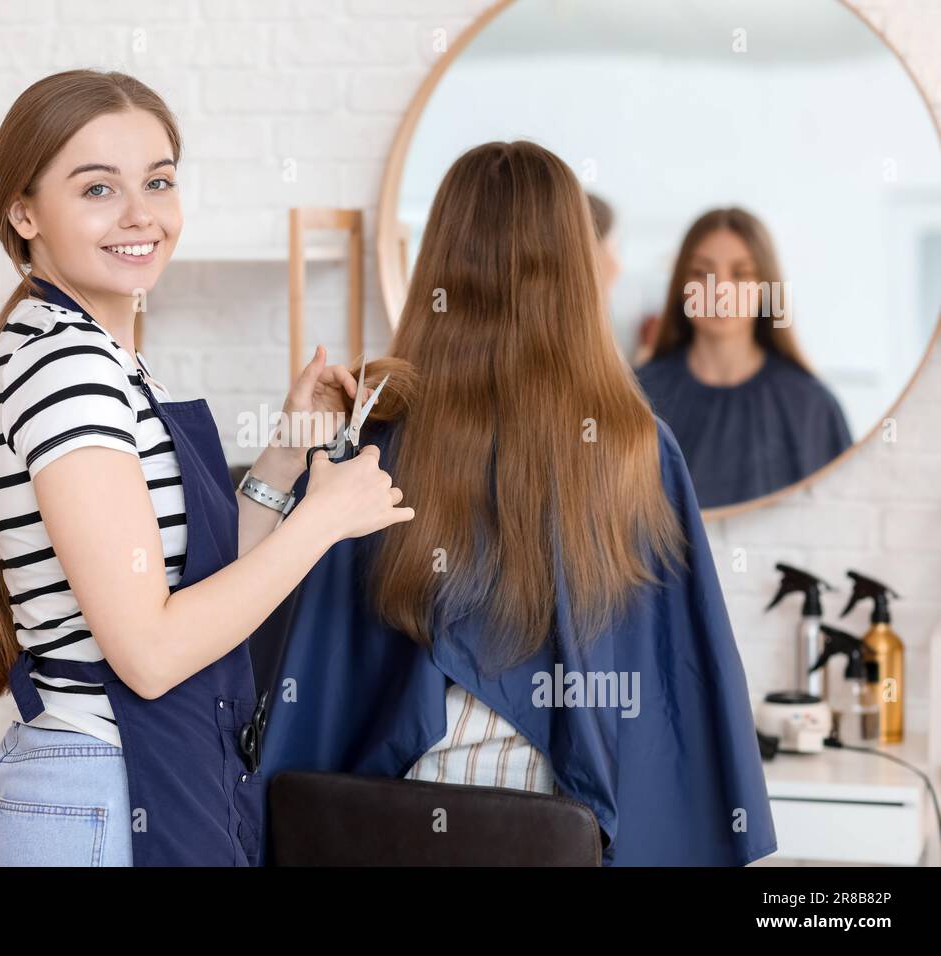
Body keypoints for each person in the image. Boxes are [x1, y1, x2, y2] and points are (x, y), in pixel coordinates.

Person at [254, 142, 777, 866]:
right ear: (575, 265)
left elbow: (297, 663)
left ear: (440, 261)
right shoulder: (632, 447)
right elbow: (679, 684)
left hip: (384, 828)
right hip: (551, 835)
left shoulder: (374, 440)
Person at [0, 70, 413, 867]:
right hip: (95, 797)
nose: (141, 215)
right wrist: (323, 521)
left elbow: (192, 584)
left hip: (109, 784)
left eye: (158, 182)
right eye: (98, 188)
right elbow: (151, 653)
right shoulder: (68, 370)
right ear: (23, 213)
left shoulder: (102, 359)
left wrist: (286, 452)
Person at [636, 207, 853, 508]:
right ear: (681, 287)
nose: (720, 290)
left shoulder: (812, 406)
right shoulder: (636, 396)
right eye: (702, 273)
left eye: (741, 274)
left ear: (766, 287)